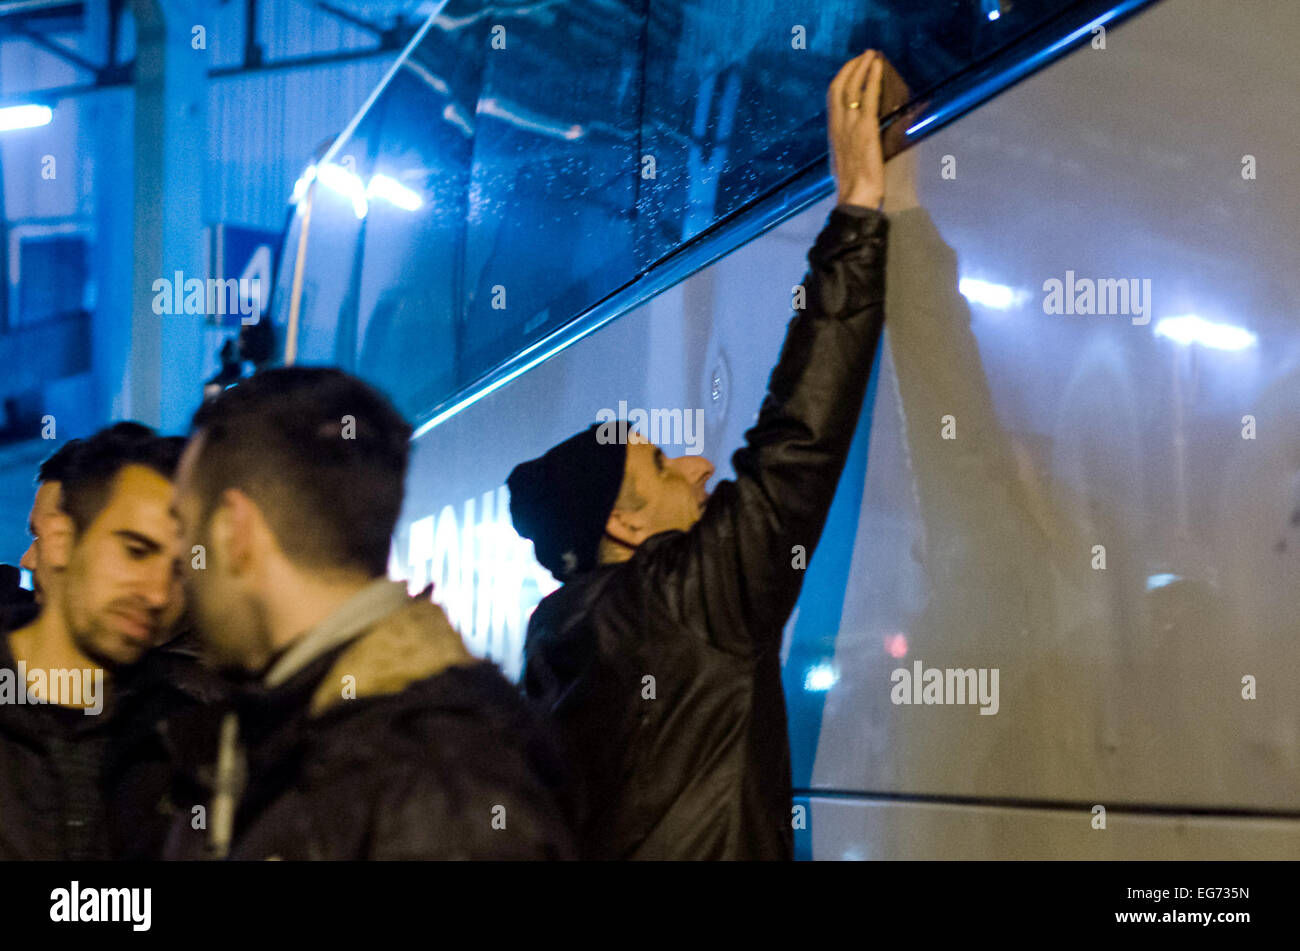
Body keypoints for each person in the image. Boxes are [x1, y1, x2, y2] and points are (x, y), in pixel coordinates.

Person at [506, 50, 890, 859]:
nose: (698, 466)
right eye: (660, 463)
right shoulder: (685, 603)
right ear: (624, 519)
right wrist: (854, 214)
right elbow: (796, 444)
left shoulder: (556, 647)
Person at [165, 367, 574, 859]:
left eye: (186, 531)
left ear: (235, 533)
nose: (180, 565)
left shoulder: (439, 786)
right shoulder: (285, 731)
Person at [0, 423, 211, 860]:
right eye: (136, 551)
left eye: (177, 571)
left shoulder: (190, 744)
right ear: (59, 541)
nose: (156, 594)